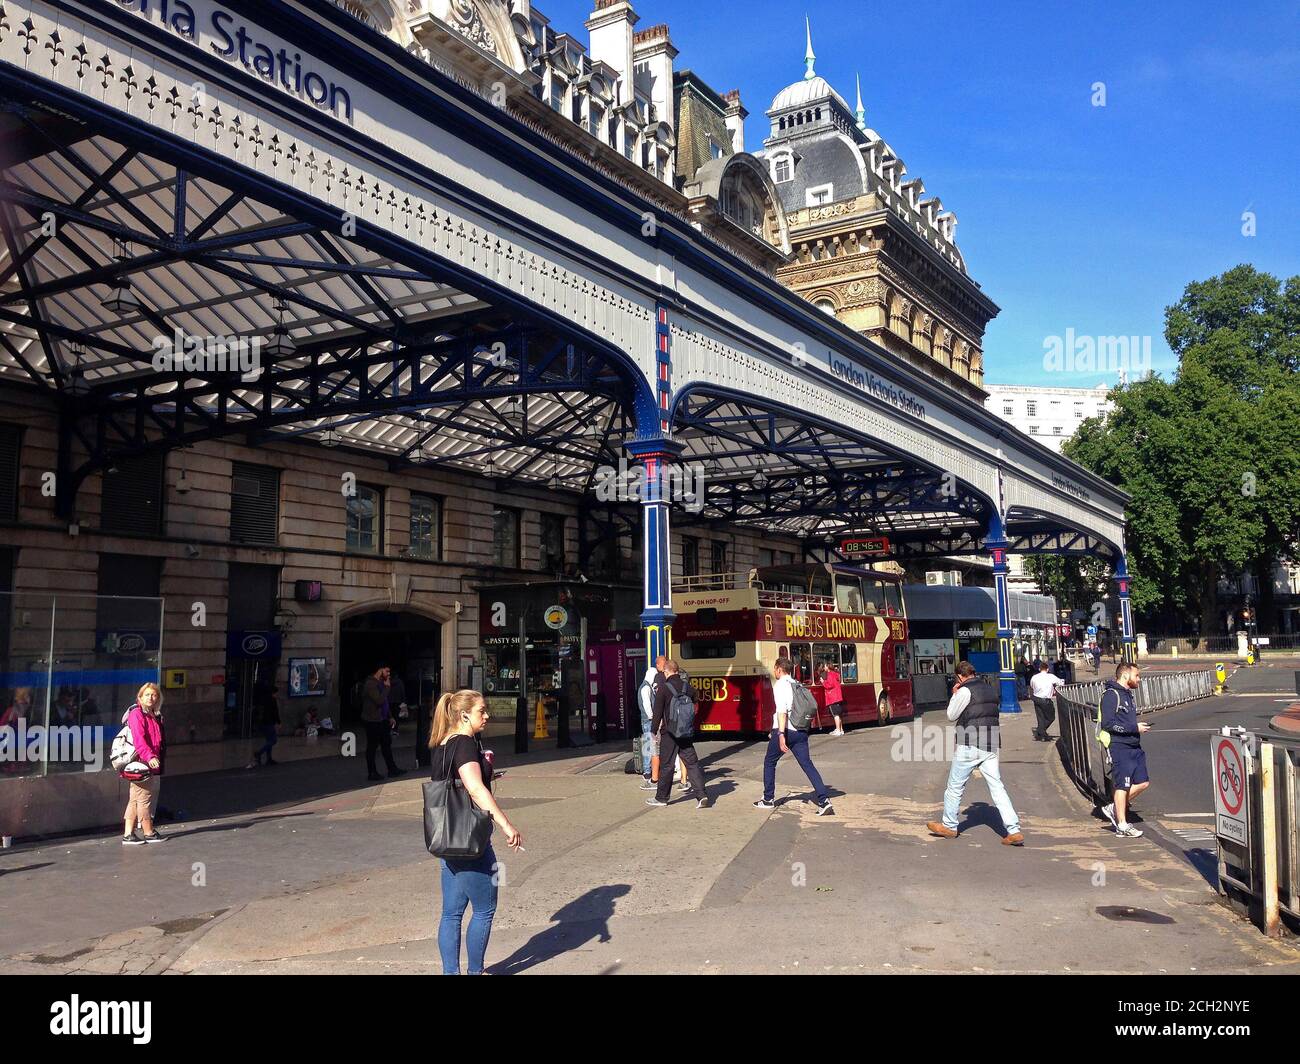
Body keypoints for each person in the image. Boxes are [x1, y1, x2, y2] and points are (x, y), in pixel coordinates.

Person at [428, 689, 522, 975]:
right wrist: (506, 824)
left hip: (447, 837)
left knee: (451, 913)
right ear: (464, 714)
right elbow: (474, 788)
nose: (487, 715)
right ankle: (476, 971)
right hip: (471, 840)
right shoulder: (465, 743)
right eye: (482, 711)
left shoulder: (442, 744)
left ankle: (450, 972)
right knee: (484, 909)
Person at [926, 661, 1024, 845]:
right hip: (991, 742)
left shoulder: (964, 691)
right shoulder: (989, 689)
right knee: (997, 787)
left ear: (960, 676)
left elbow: (951, 715)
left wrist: (954, 695)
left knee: (954, 787)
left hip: (970, 742)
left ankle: (949, 825)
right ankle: (1014, 830)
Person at [754, 657, 833, 815]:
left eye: (774, 668)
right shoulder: (796, 683)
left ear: (778, 669)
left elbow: (782, 711)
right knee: (807, 765)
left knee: (769, 762)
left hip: (786, 730)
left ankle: (768, 799)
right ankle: (824, 800)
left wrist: (781, 734)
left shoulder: (780, 685)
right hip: (801, 730)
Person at [646, 660, 709, 809]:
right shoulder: (687, 686)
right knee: (692, 763)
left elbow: (657, 713)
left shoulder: (663, 688)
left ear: (667, 672)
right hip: (685, 732)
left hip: (669, 733)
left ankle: (661, 798)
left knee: (667, 765)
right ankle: (702, 795)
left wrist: (653, 731)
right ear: (678, 671)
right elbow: (696, 698)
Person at [1098, 662, 1150, 838]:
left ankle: (1114, 808)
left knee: (1143, 782)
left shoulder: (1127, 695)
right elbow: (1108, 724)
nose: (1139, 679)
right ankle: (1122, 824)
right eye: (1137, 676)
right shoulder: (1111, 695)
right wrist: (1134, 728)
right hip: (1119, 746)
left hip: (1134, 746)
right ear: (1126, 676)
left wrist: (1134, 729)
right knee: (1123, 784)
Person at [122, 682, 167, 845]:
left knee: (135, 798)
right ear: (140, 697)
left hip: (147, 761)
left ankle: (128, 834)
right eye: (147, 694)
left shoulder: (153, 714)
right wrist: (150, 757)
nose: (151, 697)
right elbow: (140, 740)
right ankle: (148, 831)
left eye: (154, 695)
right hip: (142, 762)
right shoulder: (137, 714)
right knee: (144, 798)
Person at [361, 664, 404, 781]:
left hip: (382, 719)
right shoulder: (371, 684)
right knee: (372, 746)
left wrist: (390, 716)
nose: (389, 674)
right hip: (372, 720)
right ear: (380, 671)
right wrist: (387, 688)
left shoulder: (380, 683)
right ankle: (372, 772)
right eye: (387, 671)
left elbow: (385, 702)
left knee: (386, 744)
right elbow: (379, 700)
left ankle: (392, 769)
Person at [246, 681, 281, 768]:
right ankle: (259, 753)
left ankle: (269, 758)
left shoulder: (263, 699)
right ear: (273, 693)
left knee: (269, 740)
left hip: (262, 722)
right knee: (273, 740)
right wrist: (279, 722)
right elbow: (275, 712)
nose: (277, 695)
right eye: (276, 693)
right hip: (269, 722)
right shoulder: (272, 700)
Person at [636, 664, 659, 791]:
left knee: (648, 745)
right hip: (648, 720)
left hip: (646, 720)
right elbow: (646, 705)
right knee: (648, 746)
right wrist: (652, 717)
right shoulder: (645, 688)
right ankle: (647, 771)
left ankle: (647, 770)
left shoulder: (646, 686)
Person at [1029, 661, 1065, 741]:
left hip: (1036, 698)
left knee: (1040, 717)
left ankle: (1042, 734)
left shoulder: (1034, 677)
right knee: (1051, 717)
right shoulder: (1051, 676)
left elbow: (1031, 686)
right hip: (1045, 699)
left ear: (1039, 669)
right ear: (1047, 669)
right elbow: (1061, 682)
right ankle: (1041, 731)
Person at [819, 662, 845, 736]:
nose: (824, 668)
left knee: (835, 714)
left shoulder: (830, 675)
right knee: (838, 714)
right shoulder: (835, 674)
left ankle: (838, 730)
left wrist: (823, 682)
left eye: (825, 666)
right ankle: (840, 729)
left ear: (828, 667)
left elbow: (829, 685)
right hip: (837, 696)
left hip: (832, 697)